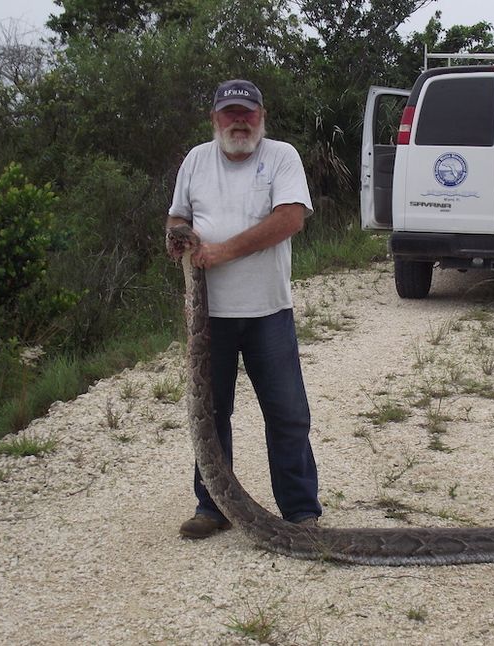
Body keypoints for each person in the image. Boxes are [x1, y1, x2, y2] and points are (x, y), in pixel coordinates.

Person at [165, 79, 321, 539]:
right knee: (210, 413)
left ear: (261, 116)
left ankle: (300, 511)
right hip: (208, 317)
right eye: (230, 113)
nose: (239, 121)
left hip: (268, 311)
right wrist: (177, 236)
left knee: (288, 413)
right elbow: (177, 215)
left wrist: (223, 252)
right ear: (215, 118)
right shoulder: (196, 160)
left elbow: (290, 219)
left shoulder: (282, 157)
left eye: (247, 113)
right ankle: (212, 506)